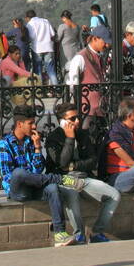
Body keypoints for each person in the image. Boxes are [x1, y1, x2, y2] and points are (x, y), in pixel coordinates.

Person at [0, 109, 86, 248]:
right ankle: (59, 179)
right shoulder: (4, 144)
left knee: (52, 188)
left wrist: (37, 148)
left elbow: (37, 171)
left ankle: (59, 233)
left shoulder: (31, 141)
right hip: (18, 191)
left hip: (35, 185)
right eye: (30, 123)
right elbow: (9, 177)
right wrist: (30, 176)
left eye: (34, 123)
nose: (34, 127)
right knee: (18, 173)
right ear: (19, 124)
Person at [42, 102, 120, 242]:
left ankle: (96, 233)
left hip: (84, 179)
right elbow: (61, 163)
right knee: (72, 195)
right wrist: (70, 138)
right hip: (64, 180)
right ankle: (79, 234)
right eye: (72, 119)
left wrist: (73, 166)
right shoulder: (53, 138)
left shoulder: (83, 135)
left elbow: (92, 160)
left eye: (78, 117)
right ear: (62, 121)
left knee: (113, 195)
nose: (77, 121)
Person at [24, 9, 57, 84]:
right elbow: (52, 34)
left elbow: (31, 37)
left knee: (38, 70)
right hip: (48, 48)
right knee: (51, 70)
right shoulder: (45, 21)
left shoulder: (30, 24)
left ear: (27, 18)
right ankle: (57, 89)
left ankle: (40, 90)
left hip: (37, 49)